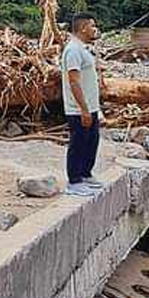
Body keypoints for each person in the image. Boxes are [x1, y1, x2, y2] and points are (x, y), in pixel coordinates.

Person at [61, 12, 103, 196]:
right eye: (93, 26)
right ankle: (74, 181)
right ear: (83, 28)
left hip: (91, 107)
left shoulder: (83, 48)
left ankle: (86, 174)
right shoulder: (73, 50)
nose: (95, 29)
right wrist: (83, 109)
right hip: (78, 109)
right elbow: (74, 82)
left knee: (91, 141)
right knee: (78, 143)